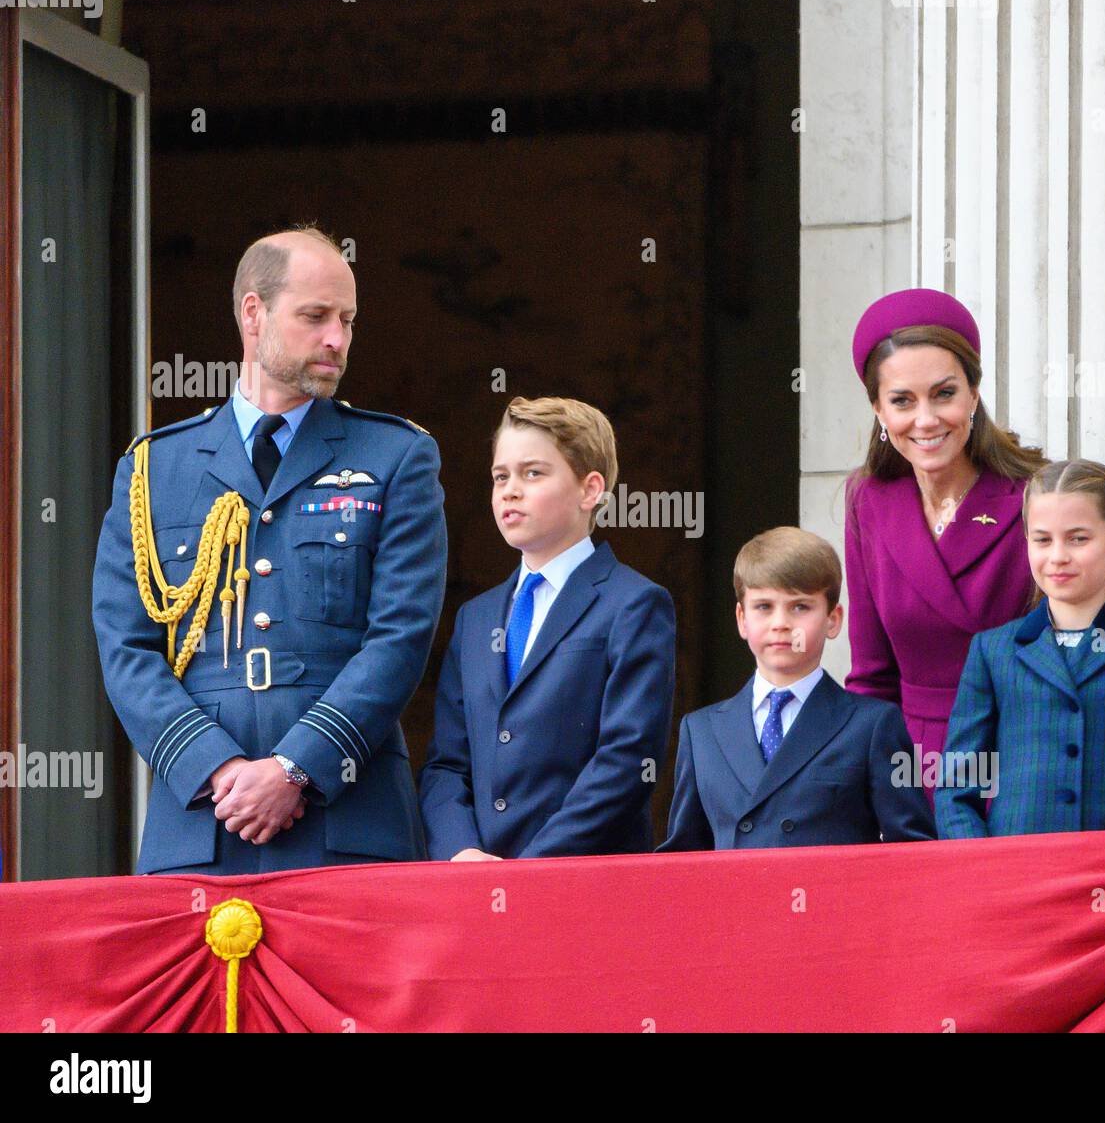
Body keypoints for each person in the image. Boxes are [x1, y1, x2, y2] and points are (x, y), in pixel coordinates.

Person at [92, 227, 446, 874]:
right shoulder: (154, 468)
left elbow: (400, 637)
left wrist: (296, 767)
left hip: (350, 822)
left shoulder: (395, 456)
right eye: (315, 316)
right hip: (201, 823)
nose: (337, 338)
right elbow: (126, 645)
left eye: (347, 319)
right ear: (253, 313)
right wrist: (216, 766)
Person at [420, 397, 675, 860]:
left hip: (582, 887)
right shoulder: (475, 618)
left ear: (589, 489)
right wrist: (461, 852)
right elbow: (447, 764)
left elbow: (626, 761)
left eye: (533, 473)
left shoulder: (634, 604)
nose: (509, 491)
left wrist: (530, 869)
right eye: (501, 477)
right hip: (475, 886)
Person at [844, 288, 1049, 806]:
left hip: (1024, 760)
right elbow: (871, 677)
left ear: (974, 394)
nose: (926, 420)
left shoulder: (1037, 497)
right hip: (913, 771)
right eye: (902, 401)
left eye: (943, 394)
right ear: (877, 408)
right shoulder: (868, 501)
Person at [936, 460, 1105, 837]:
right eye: (1042, 539)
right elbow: (956, 788)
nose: (1058, 555)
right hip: (1016, 877)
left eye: (1078, 538)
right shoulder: (992, 651)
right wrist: (986, 869)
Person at [658, 527, 934, 851]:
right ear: (741, 619)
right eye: (763, 606)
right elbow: (685, 857)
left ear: (833, 619)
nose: (781, 623)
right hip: (739, 901)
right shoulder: (701, 731)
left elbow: (912, 852)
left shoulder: (873, 724)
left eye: (800, 607)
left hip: (829, 901)